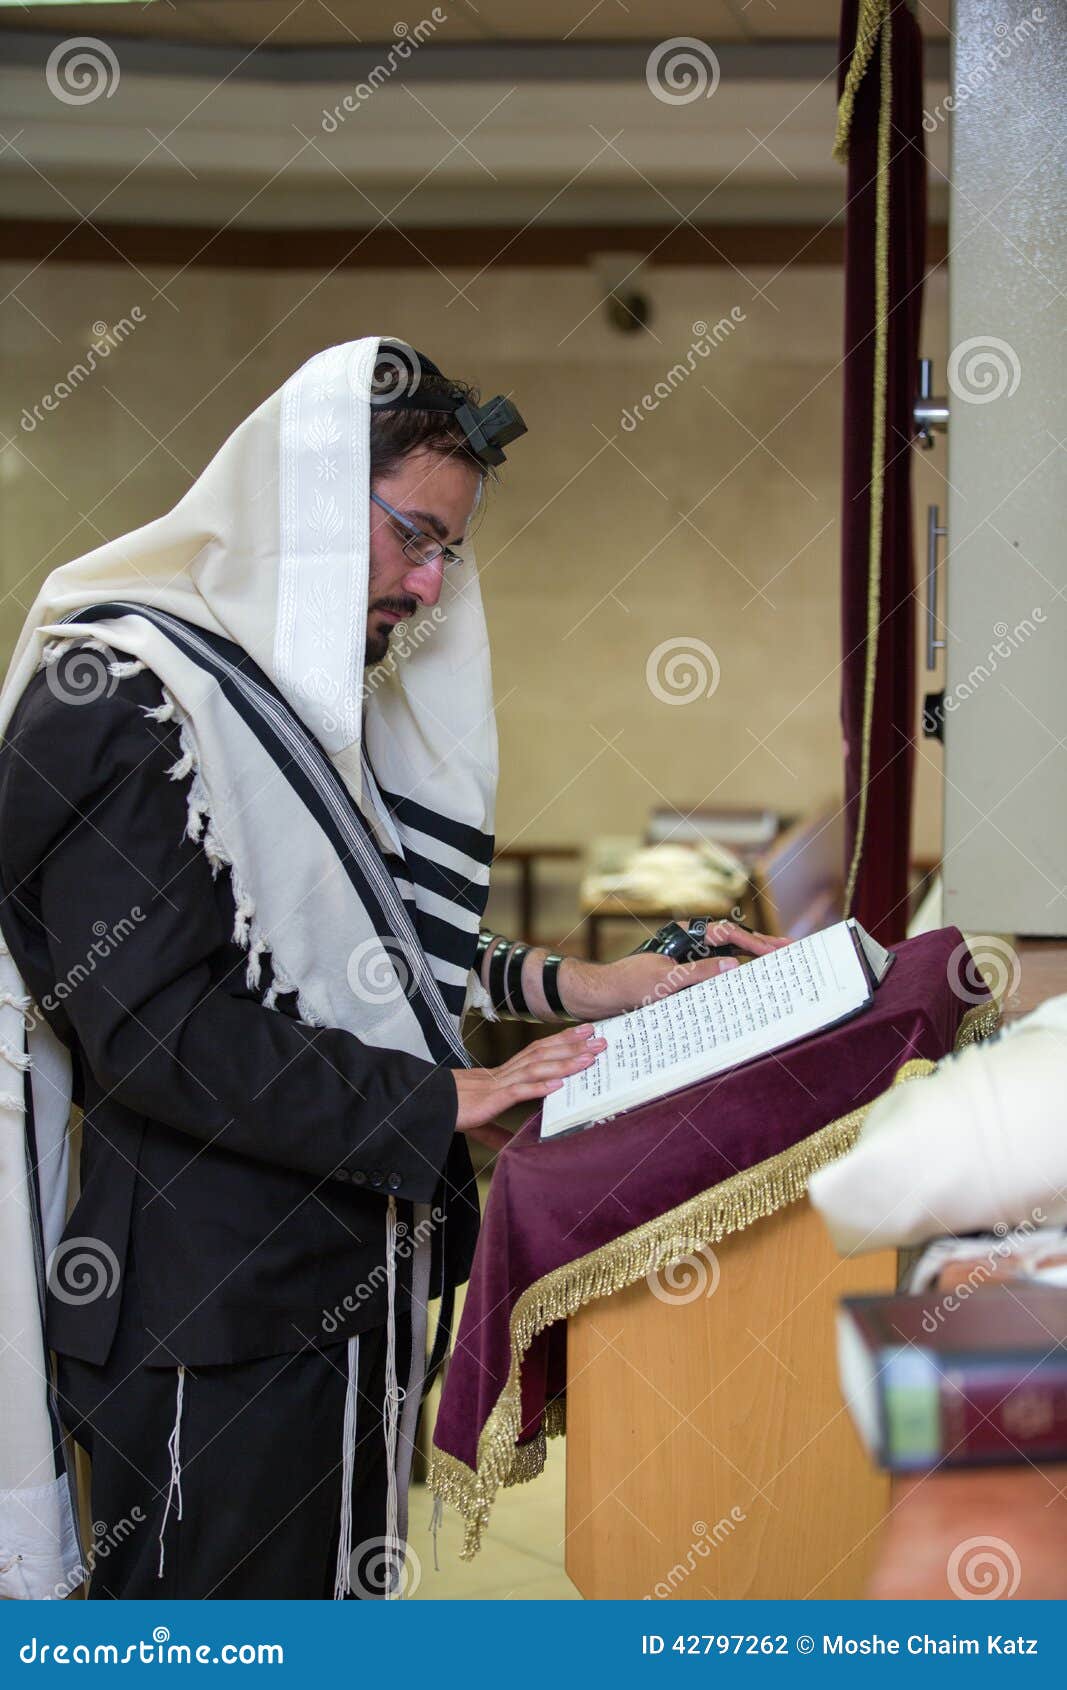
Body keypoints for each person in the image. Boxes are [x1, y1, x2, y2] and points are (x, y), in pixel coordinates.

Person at [0, 335, 780, 1600]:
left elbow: (373, 953)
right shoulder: (126, 696)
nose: (425, 587)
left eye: (445, 555)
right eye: (412, 537)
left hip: (336, 1282)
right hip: (211, 1322)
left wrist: (586, 988)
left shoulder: (293, 703)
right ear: (306, 505)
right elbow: (161, 1031)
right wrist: (442, 1097)